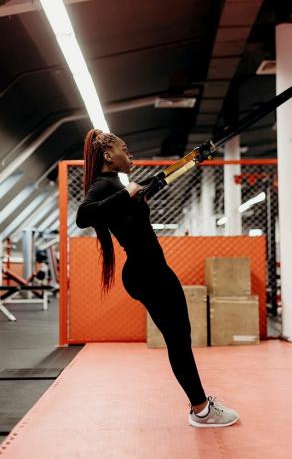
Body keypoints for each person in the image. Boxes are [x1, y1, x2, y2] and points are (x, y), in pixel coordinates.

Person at [75, 129, 240, 428]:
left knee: (181, 337)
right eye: (125, 149)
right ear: (109, 156)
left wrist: (194, 160)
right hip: (146, 273)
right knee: (178, 340)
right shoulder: (104, 186)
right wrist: (129, 192)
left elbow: (151, 187)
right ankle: (201, 410)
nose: (131, 154)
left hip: (151, 271)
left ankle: (200, 406)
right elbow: (83, 216)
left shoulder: (115, 185)